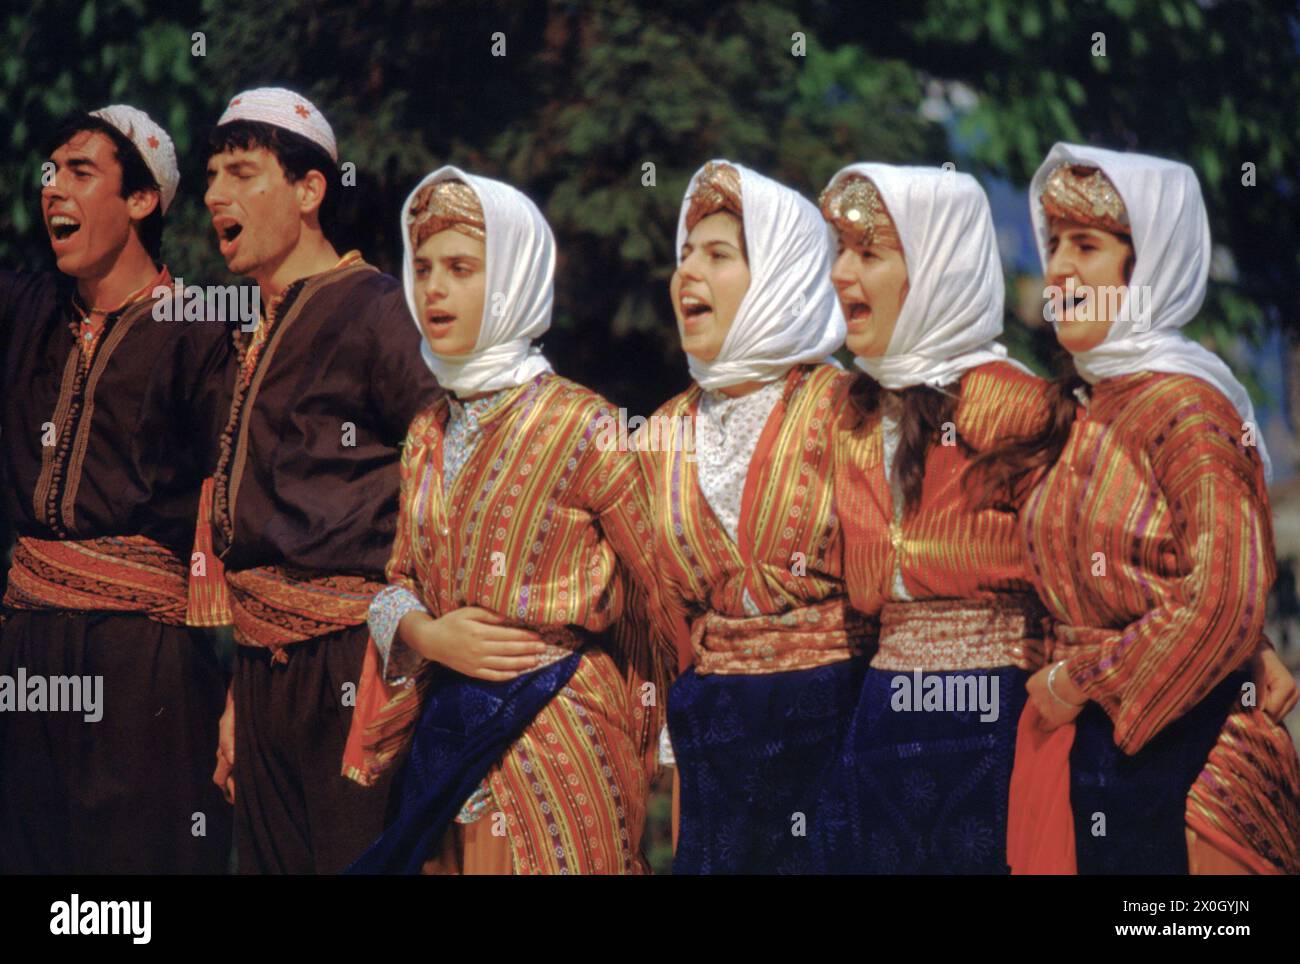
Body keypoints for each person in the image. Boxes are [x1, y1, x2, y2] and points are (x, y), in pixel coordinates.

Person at [344, 168, 674, 874]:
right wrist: (429, 635)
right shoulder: (428, 430)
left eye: (461, 268)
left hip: (562, 736)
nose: (433, 288)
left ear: (513, 279)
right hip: (448, 738)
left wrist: (651, 740)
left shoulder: (586, 425)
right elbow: (396, 581)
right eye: (424, 267)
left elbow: (657, 600)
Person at [1006, 143, 1300, 874]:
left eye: (1088, 245)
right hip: (1096, 762)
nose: (1060, 269)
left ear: (1151, 265)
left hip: (1195, 776)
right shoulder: (1084, 405)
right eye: (1053, 245)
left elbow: (1225, 593)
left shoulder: (1187, 409)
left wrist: (1080, 681)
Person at [201, 87, 440, 874]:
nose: (214, 196)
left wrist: (417, 638)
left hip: (353, 662)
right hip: (264, 664)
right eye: (210, 177)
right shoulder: (255, 327)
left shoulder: (375, 308)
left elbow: (446, 465)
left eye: (241, 172)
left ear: (310, 190)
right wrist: (242, 697)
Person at [0, 105, 232, 872]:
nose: (53, 190)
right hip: (29, 642)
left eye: (80, 172)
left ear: (141, 200)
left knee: (138, 872)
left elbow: (234, 501)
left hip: (145, 659)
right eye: (49, 173)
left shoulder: (202, 332)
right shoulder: (28, 311)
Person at [821, 164, 1054, 873]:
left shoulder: (1017, 407)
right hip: (881, 724)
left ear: (935, 267)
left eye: (868, 253)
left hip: (996, 720)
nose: (839, 274)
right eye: (839, 249)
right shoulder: (849, 414)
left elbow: (1096, 562)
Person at [642, 160, 869, 874]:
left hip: (837, 734)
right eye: (683, 257)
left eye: (717, 256)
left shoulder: (850, 409)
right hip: (714, 746)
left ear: (779, 275)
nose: (687, 276)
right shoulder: (660, 431)